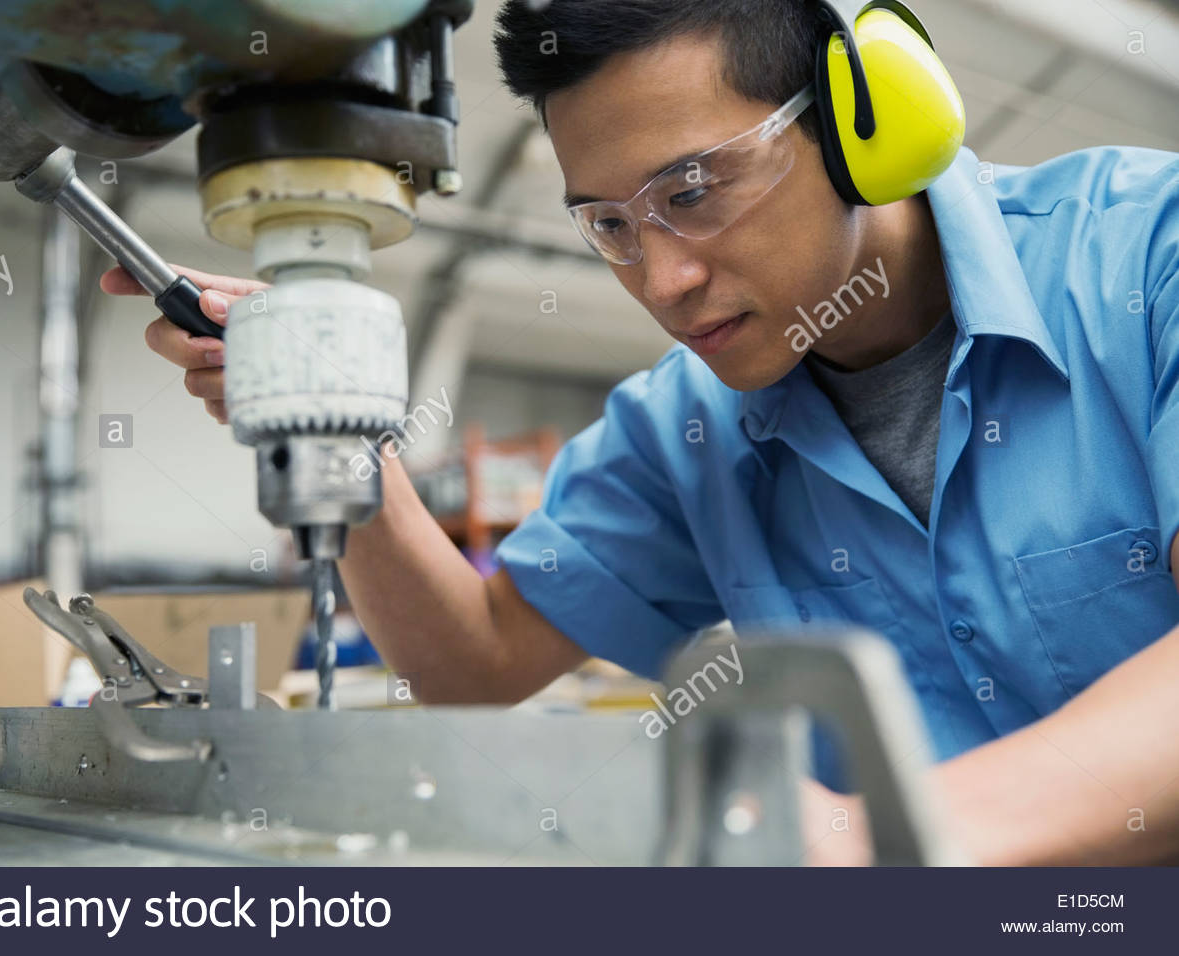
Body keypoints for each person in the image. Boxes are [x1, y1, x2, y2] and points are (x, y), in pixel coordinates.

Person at [102, 0, 1179, 864]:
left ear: (866, 120)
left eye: (695, 190)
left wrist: (869, 831)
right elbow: (473, 660)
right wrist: (331, 417)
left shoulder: (1146, 260)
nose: (663, 280)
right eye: (611, 225)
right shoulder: (685, 427)